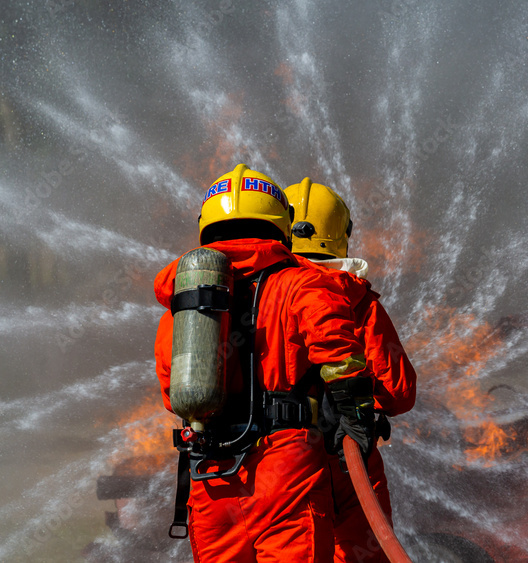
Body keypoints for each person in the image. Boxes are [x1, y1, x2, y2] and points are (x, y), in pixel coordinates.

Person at [153, 164, 377, 562]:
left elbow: (173, 393)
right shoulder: (301, 283)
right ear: (281, 225)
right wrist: (356, 419)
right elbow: (339, 352)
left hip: (211, 474)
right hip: (283, 470)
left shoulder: (183, 302)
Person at [284, 177, 418, 563]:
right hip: (347, 462)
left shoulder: (261, 294)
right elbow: (398, 393)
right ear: (341, 233)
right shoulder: (355, 300)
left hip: (272, 469)